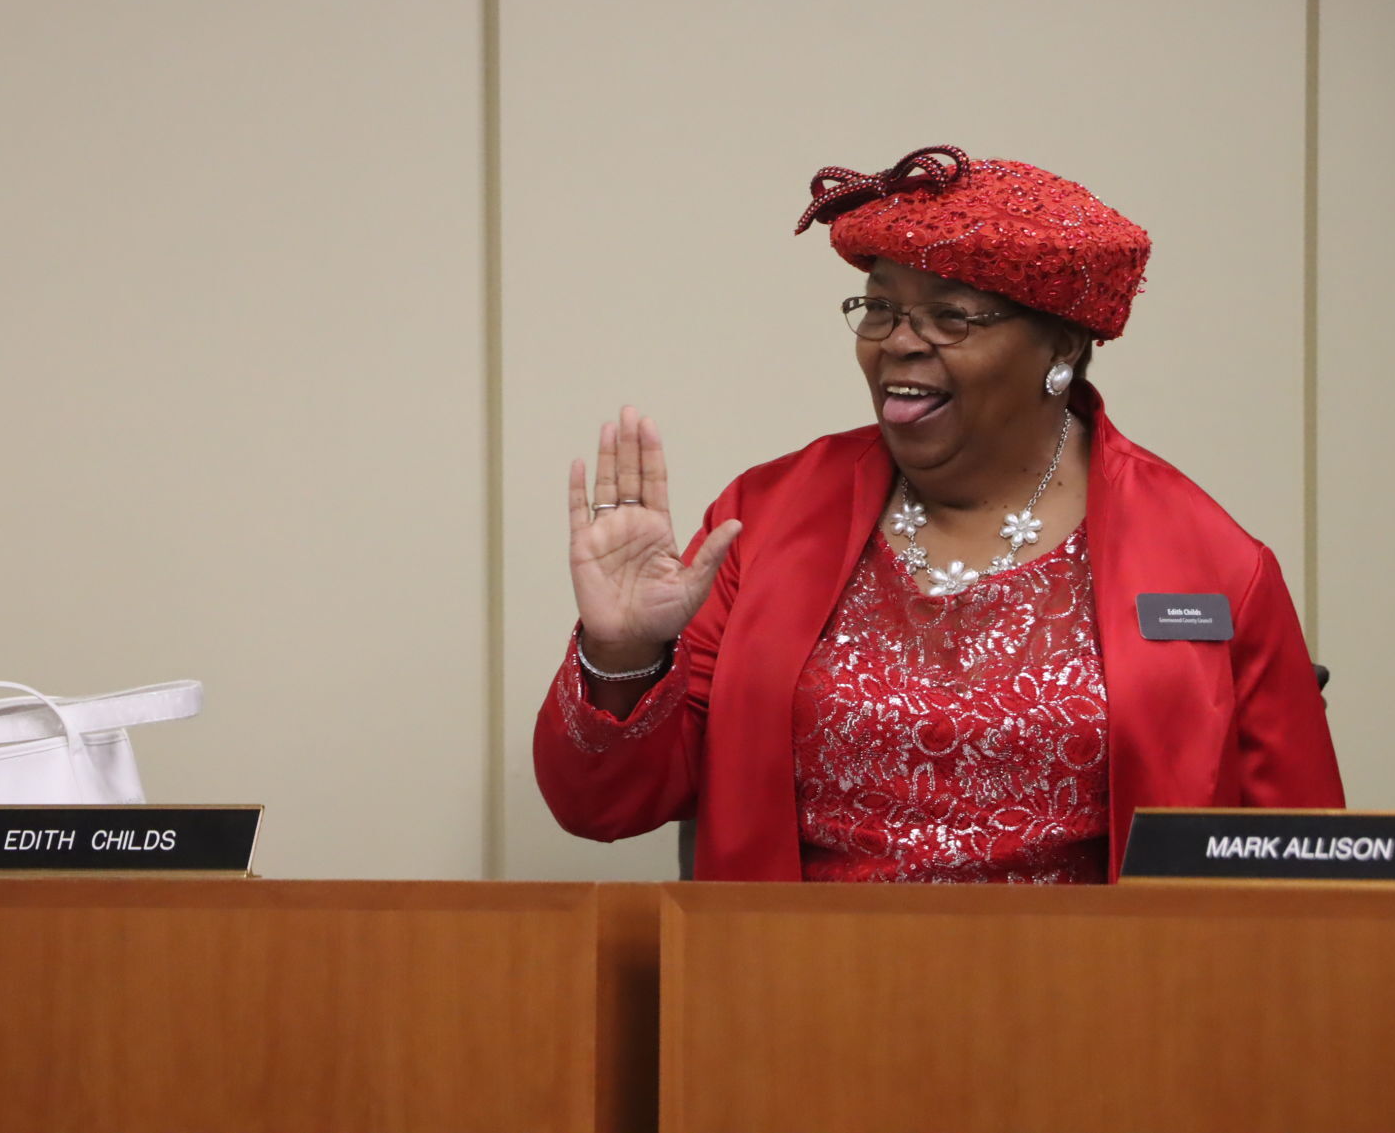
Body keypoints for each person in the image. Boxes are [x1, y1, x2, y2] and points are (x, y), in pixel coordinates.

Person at [534, 144, 1344, 883]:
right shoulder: (765, 517)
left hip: (1098, 989)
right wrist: (624, 653)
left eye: (950, 315)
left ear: (1062, 346)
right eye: (879, 308)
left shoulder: (1212, 563)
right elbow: (603, 806)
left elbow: (1302, 879)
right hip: (790, 982)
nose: (898, 341)